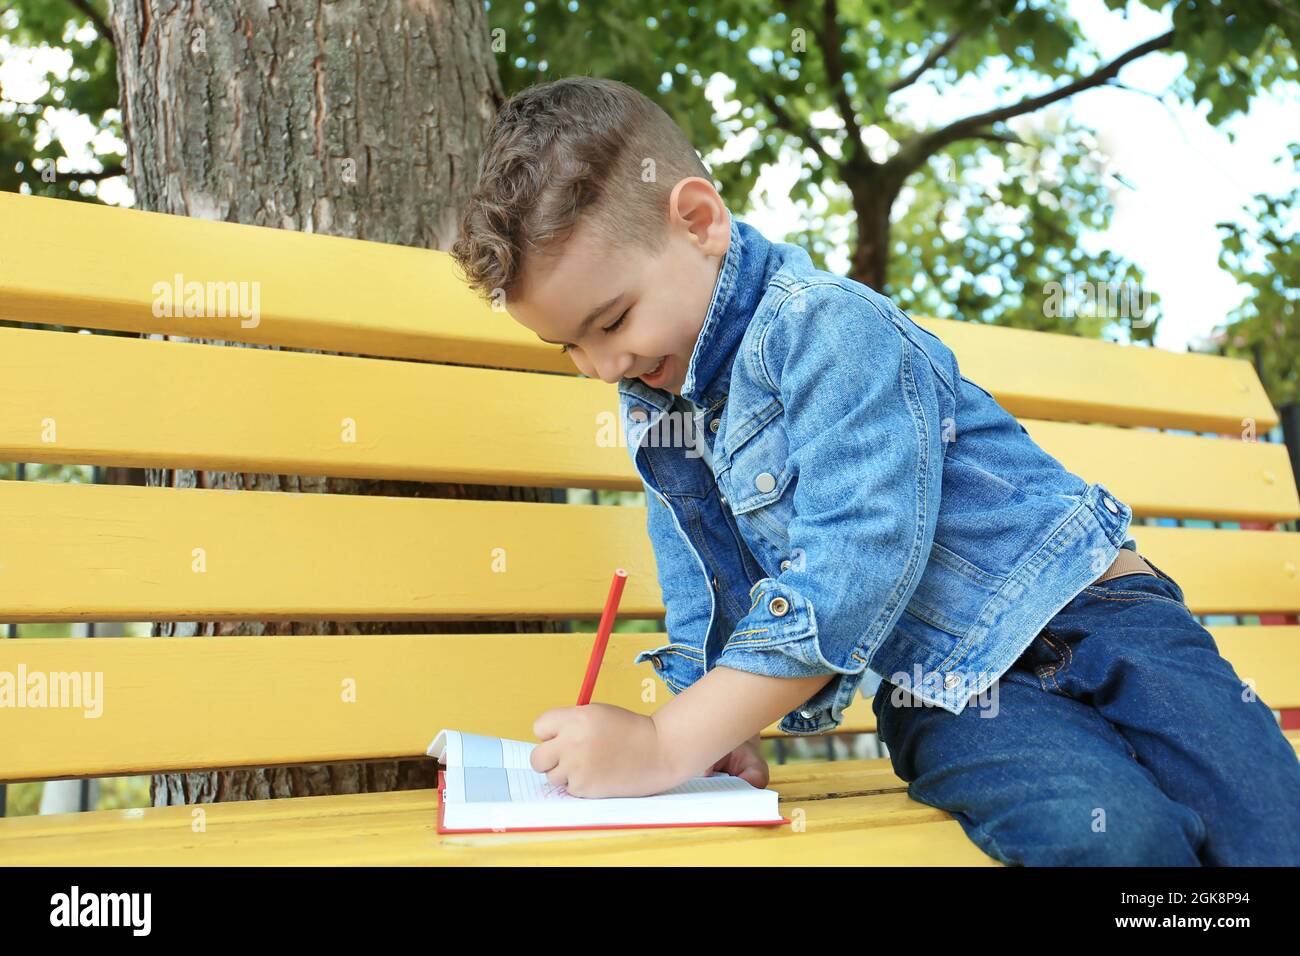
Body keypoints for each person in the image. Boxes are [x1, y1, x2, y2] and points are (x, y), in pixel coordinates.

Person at [449, 76, 1300, 865]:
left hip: (1104, 618)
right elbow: (706, 586)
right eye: (569, 347)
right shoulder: (658, 401)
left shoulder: (827, 328)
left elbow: (851, 572)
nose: (601, 367)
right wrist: (709, 723)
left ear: (699, 220)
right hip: (952, 695)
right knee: (1112, 840)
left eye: (611, 320)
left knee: (1271, 831)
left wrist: (668, 741)